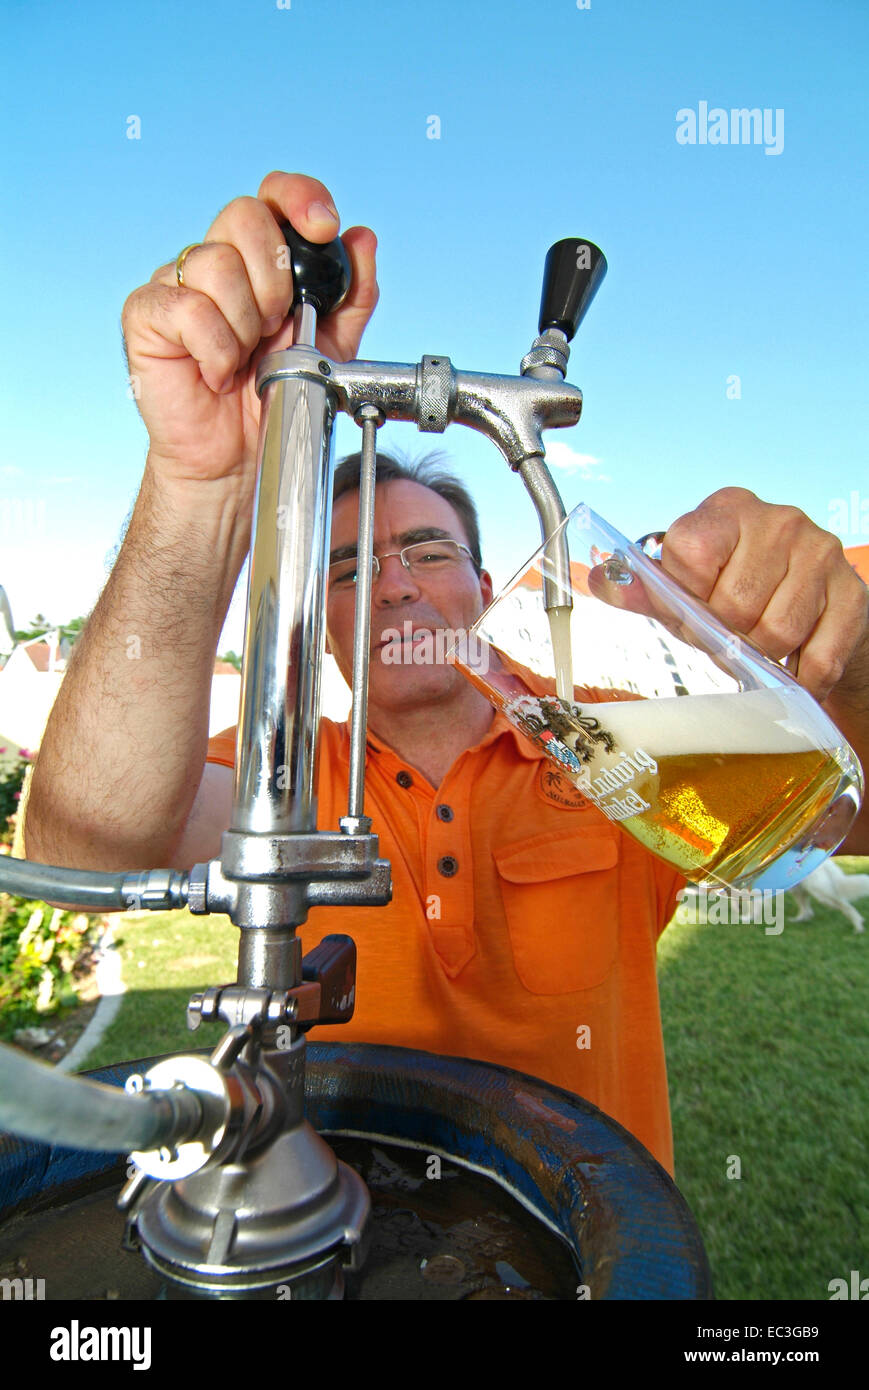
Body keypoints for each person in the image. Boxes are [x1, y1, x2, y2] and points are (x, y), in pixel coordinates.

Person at [23, 172, 869, 1179]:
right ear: (318, 628)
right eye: (342, 569)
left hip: (591, 1247)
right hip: (348, 1242)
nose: (390, 588)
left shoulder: (610, 744)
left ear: (480, 582)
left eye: (424, 552)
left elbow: (838, 819)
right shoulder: (284, 774)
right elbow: (84, 849)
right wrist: (199, 482)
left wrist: (847, 666)